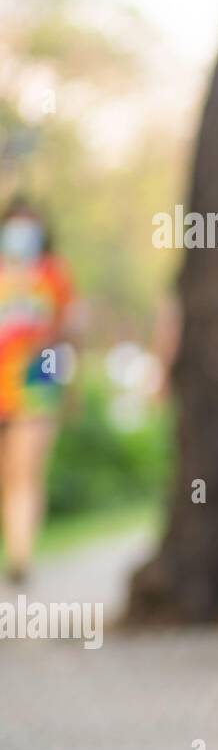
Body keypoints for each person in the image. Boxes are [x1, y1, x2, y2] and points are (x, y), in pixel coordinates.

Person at [0, 200, 77, 587]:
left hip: (36, 381)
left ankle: (20, 557)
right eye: (15, 224)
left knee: (25, 472)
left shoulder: (53, 275)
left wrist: (64, 381)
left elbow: (67, 332)